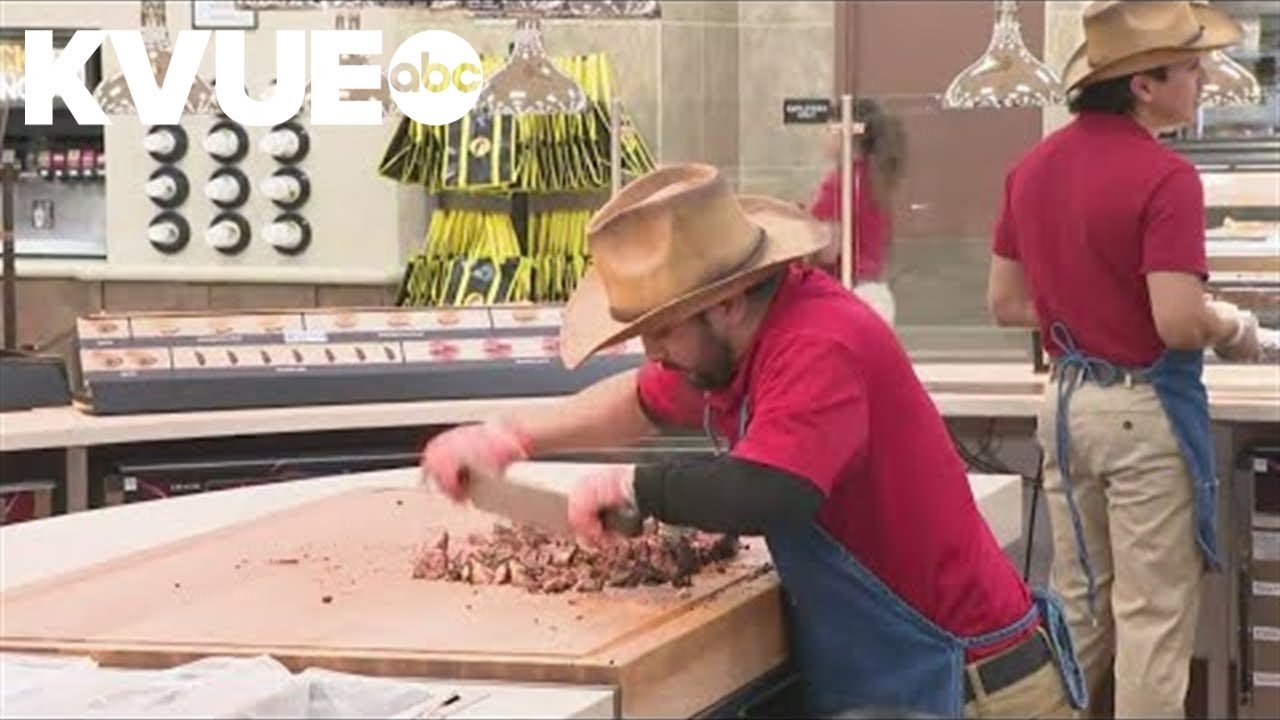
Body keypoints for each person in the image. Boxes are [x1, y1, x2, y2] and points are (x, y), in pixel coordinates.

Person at [422, 163, 1087, 718]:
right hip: (898, 684)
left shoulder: (819, 343)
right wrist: (508, 437)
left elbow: (771, 490)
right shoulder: (737, 347)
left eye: (662, 330)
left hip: (970, 686)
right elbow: (644, 402)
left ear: (731, 299)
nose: (652, 352)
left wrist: (633, 486)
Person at [984, 2, 1263, 717]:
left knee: (1079, 605)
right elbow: (1176, 321)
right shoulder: (1166, 177)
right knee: (1153, 617)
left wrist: (1085, 309)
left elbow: (1006, 302)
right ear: (1143, 83)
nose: (1201, 80)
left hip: (1067, 406)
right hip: (1143, 411)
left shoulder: (1029, 168)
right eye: (1190, 67)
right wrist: (1232, 325)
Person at [806, 98, 907, 325]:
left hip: (848, 293)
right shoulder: (875, 178)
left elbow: (828, 250)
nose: (823, 136)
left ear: (846, 132)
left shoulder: (839, 184)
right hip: (876, 293)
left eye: (829, 128)